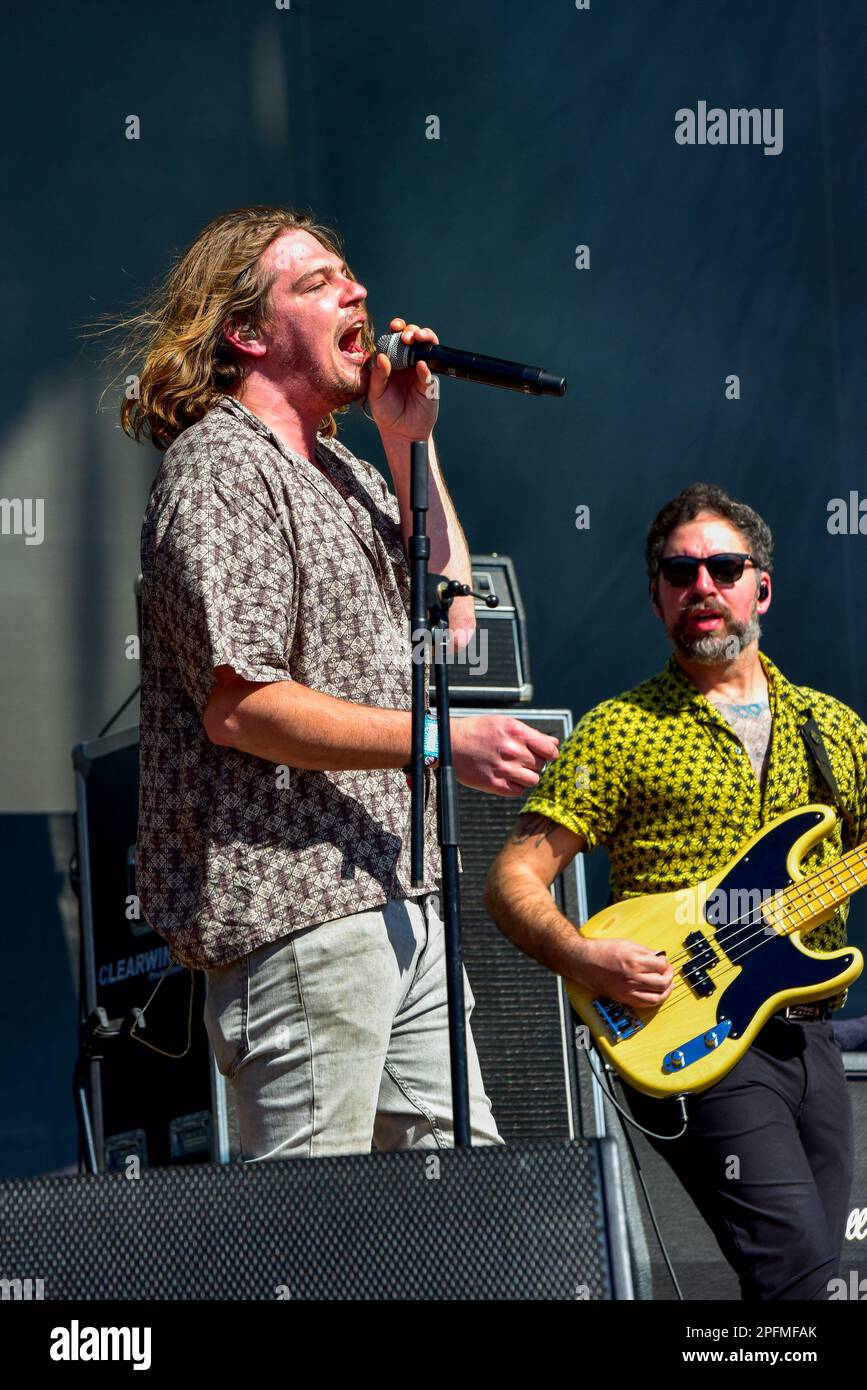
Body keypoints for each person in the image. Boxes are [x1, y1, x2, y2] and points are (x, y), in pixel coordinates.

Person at [124, 205, 559, 1160]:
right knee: (318, 1239)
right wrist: (440, 744)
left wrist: (408, 442)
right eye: (315, 283)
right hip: (297, 915)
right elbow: (243, 705)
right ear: (246, 331)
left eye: (349, 274)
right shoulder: (221, 467)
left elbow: (451, 619)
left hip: (401, 904)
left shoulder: (348, 471)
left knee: (468, 1210)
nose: (354, 291)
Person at [484, 482, 867, 1300]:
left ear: (760, 586)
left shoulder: (832, 728)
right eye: (679, 572)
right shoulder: (621, 730)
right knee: (796, 1270)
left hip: (811, 1034)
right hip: (686, 1025)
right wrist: (586, 959)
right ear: (655, 598)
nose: (702, 586)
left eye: (722, 568)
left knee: (811, 1283)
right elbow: (512, 879)